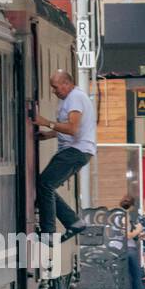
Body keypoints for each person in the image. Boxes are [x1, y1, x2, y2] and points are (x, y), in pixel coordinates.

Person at [35, 70, 96, 240]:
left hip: (76, 150)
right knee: (46, 186)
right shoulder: (71, 99)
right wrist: (49, 135)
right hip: (77, 150)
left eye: (55, 87)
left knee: (45, 184)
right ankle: (74, 223)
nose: (54, 91)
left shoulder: (75, 98)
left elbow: (72, 128)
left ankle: (48, 233)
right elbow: (75, 129)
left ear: (67, 84)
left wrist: (46, 122)